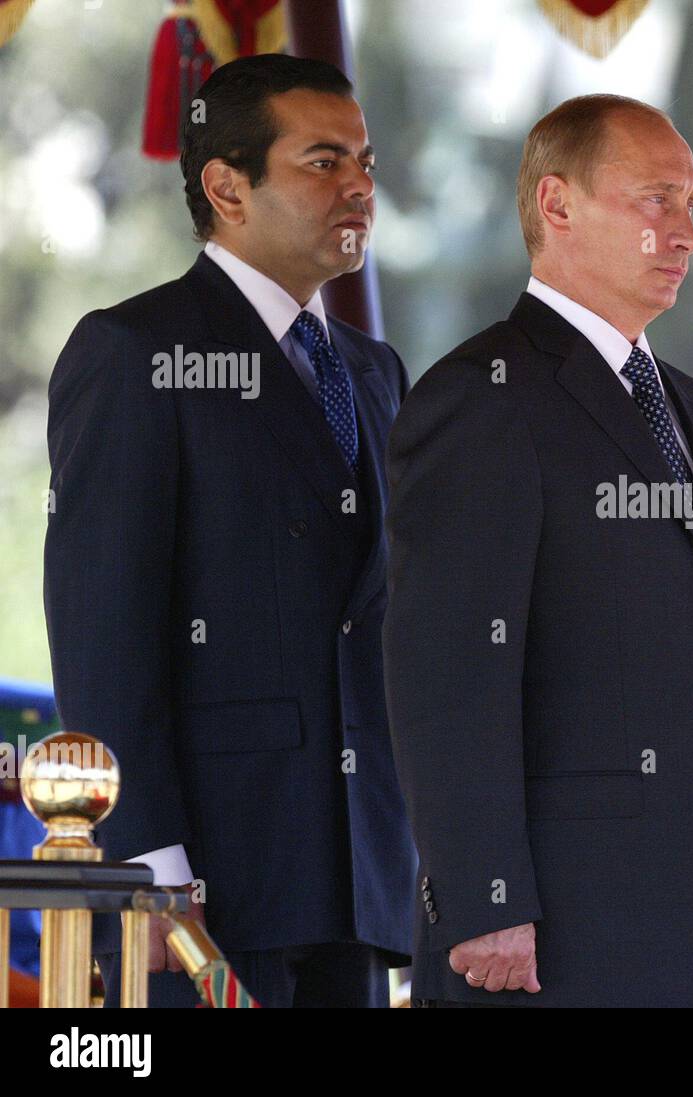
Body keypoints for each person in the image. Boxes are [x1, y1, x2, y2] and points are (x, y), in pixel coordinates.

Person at [384, 94, 693, 1007]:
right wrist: (485, 899)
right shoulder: (480, 397)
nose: (686, 232)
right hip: (553, 939)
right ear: (556, 206)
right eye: (656, 200)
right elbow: (442, 670)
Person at [43, 53, 414, 1007]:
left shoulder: (377, 373)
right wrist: (153, 872)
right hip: (206, 893)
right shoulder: (134, 353)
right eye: (323, 161)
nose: (360, 186)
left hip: (362, 885)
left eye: (365, 161)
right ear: (225, 186)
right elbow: (103, 635)